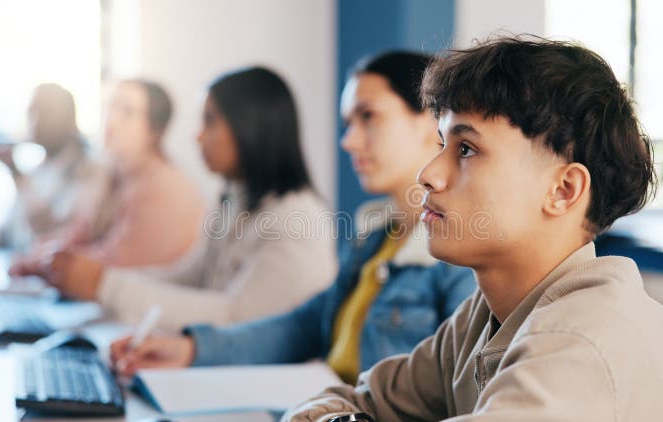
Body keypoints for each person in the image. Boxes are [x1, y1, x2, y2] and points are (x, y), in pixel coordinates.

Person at [283, 37, 663, 421]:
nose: (428, 174)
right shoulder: (482, 318)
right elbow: (355, 400)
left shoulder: (579, 347)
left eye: (466, 149)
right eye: (441, 145)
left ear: (563, 190)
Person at [109, 52, 476, 383]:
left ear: (432, 121)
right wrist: (193, 349)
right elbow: (305, 325)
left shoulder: (458, 259)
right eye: (349, 123)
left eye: (368, 117)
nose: (348, 141)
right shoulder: (376, 235)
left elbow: (450, 392)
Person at [45, 67, 338, 331]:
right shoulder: (235, 200)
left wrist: (108, 286)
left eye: (210, 122)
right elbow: (194, 276)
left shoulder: (295, 218)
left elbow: (237, 317)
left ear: (250, 127)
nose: (198, 137)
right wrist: (104, 282)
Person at [10, 80, 205, 280]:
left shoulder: (166, 187)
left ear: (155, 130)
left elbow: (116, 262)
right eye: (110, 107)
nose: (112, 120)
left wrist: (45, 261)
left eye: (127, 112)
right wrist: (43, 253)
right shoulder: (114, 176)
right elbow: (76, 234)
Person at [0, 83, 102, 250]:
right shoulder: (38, 170)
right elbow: (9, 232)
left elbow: (51, 235)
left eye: (45, 113)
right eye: (32, 112)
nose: (35, 121)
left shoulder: (90, 169)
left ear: (68, 119)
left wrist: (16, 172)